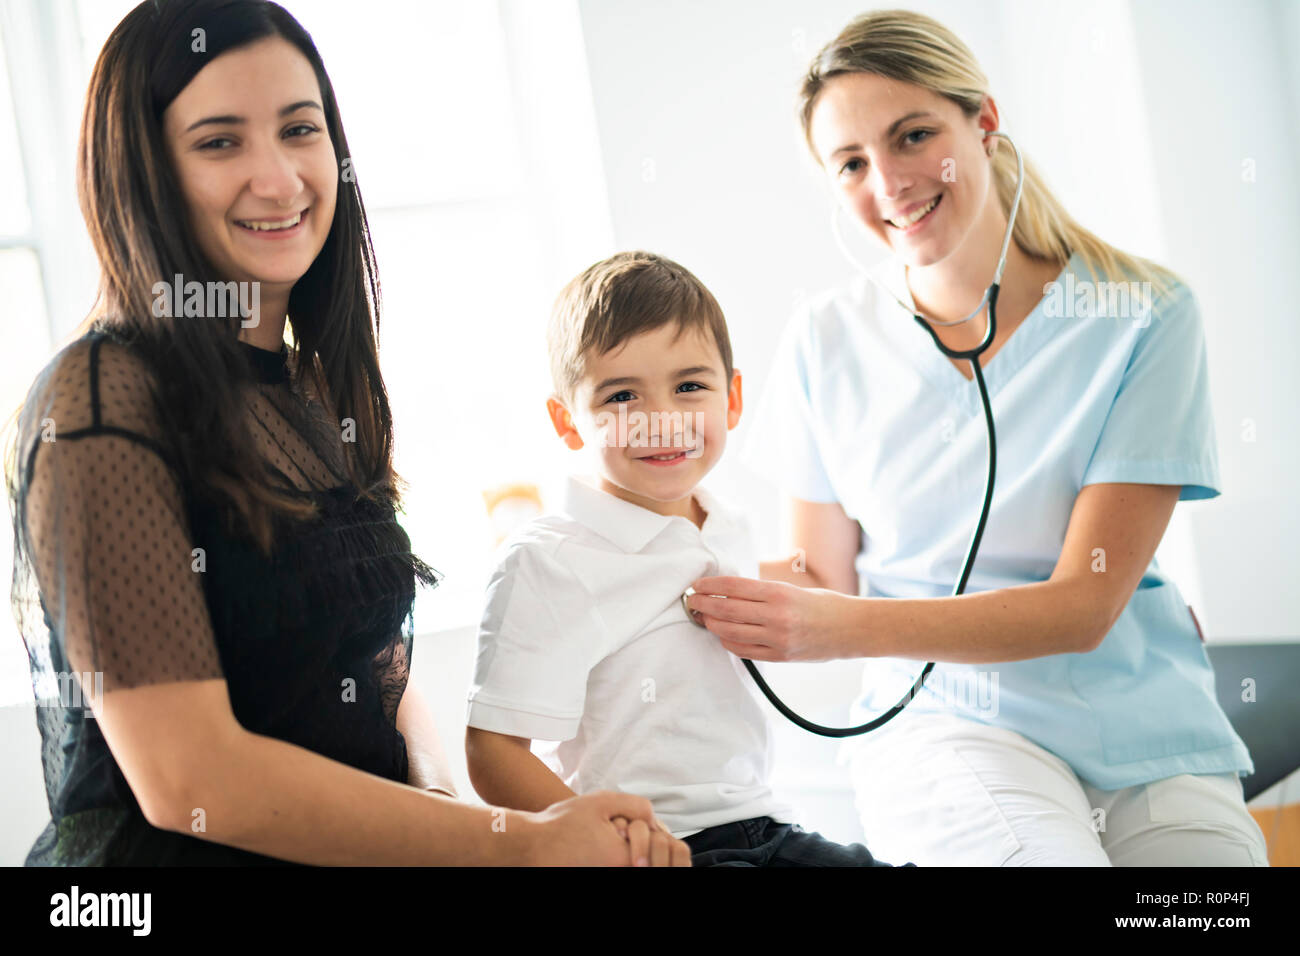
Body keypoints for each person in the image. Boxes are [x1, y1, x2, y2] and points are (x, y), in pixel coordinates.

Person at [6, 0, 673, 866]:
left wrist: (438, 800)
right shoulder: (101, 399)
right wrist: (516, 844)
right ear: (143, 175)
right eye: (219, 142)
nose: (279, 178)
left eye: (299, 129)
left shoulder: (315, 388)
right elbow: (189, 782)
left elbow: (376, 670)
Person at [683, 10, 1270, 866]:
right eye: (850, 163)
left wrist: (841, 628)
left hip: (1143, 727)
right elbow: (818, 575)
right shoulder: (825, 338)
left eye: (912, 136)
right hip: (944, 722)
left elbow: (1083, 605)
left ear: (984, 123)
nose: (887, 183)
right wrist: (659, 558)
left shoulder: (1144, 313)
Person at [465, 250, 911, 867]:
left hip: (765, 828)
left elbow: (805, 578)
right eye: (622, 396)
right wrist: (613, 840)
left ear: (731, 399)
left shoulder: (724, 524)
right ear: (568, 421)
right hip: (658, 849)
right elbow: (493, 751)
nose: (661, 422)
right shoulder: (548, 561)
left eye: (689, 386)